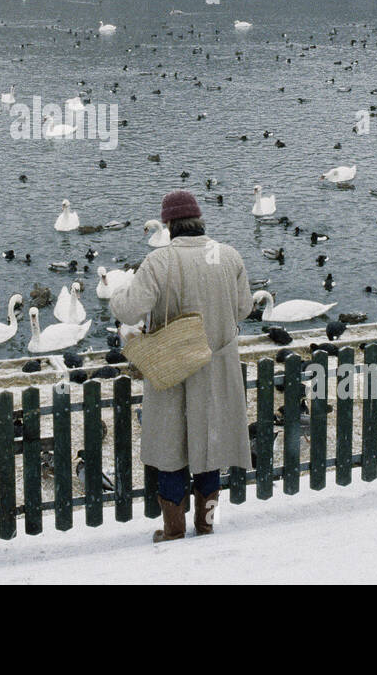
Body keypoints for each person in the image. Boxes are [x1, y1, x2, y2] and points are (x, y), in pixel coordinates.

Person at [109, 190, 253, 543]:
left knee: (171, 451)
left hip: (173, 368)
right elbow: (244, 308)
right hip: (217, 369)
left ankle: (174, 528)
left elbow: (129, 311)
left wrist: (118, 294)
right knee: (210, 451)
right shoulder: (229, 255)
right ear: (200, 220)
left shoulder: (160, 261)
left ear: (169, 224)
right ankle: (205, 524)